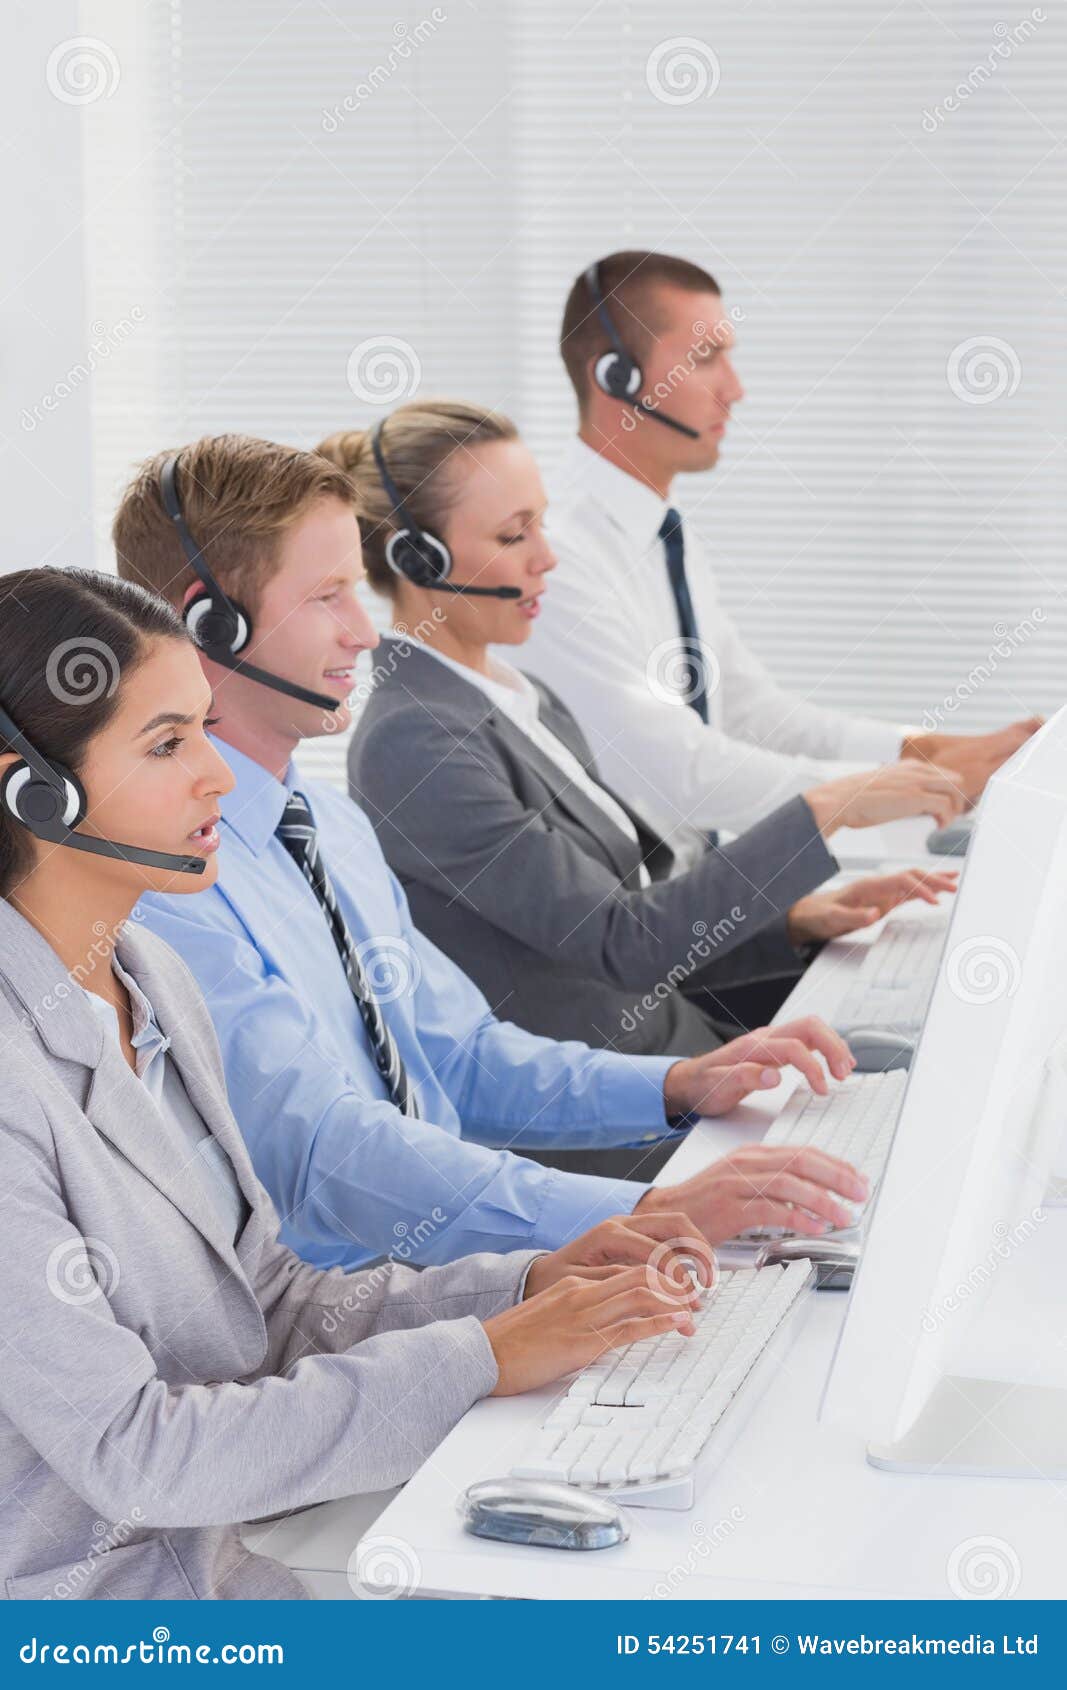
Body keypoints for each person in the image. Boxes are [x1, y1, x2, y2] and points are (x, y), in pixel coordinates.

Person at [0, 565, 731, 1601]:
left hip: (217, 1564)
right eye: (166, 744)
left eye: (204, 728)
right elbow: (137, 1454)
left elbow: (273, 1300)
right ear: (30, 789)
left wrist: (523, 1284)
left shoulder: (145, 976)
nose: (216, 774)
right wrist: (483, 1356)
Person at [114, 432, 868, 1246]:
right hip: (359, 1310)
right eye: (326, 597)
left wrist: (677, 1086)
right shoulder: (166, 880)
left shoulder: (329, 827)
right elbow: (330, 1154)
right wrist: (640, 1214)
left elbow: (460, 1055)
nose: (364, 636)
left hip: (464, 1266)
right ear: (210, 622)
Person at [323, 400, 958, 1062]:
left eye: (541, 526)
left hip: (668, 1051)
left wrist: (792, 924)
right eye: (513, 537)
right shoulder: (417, 744)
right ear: (418, 560)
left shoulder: (520, 698)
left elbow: (614, 922)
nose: (547, 559)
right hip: (596, 1112)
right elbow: (622, 945)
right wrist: (825, 810)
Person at [521, 249, 1041, 843]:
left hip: (691, 903)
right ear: (618, 377)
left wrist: (918, 748)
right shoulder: (554, 558)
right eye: (704, 357)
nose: (735, 390)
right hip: (632, 920)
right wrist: (917, 786)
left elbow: (748, 712)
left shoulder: (662, 536)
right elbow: (679, 772)